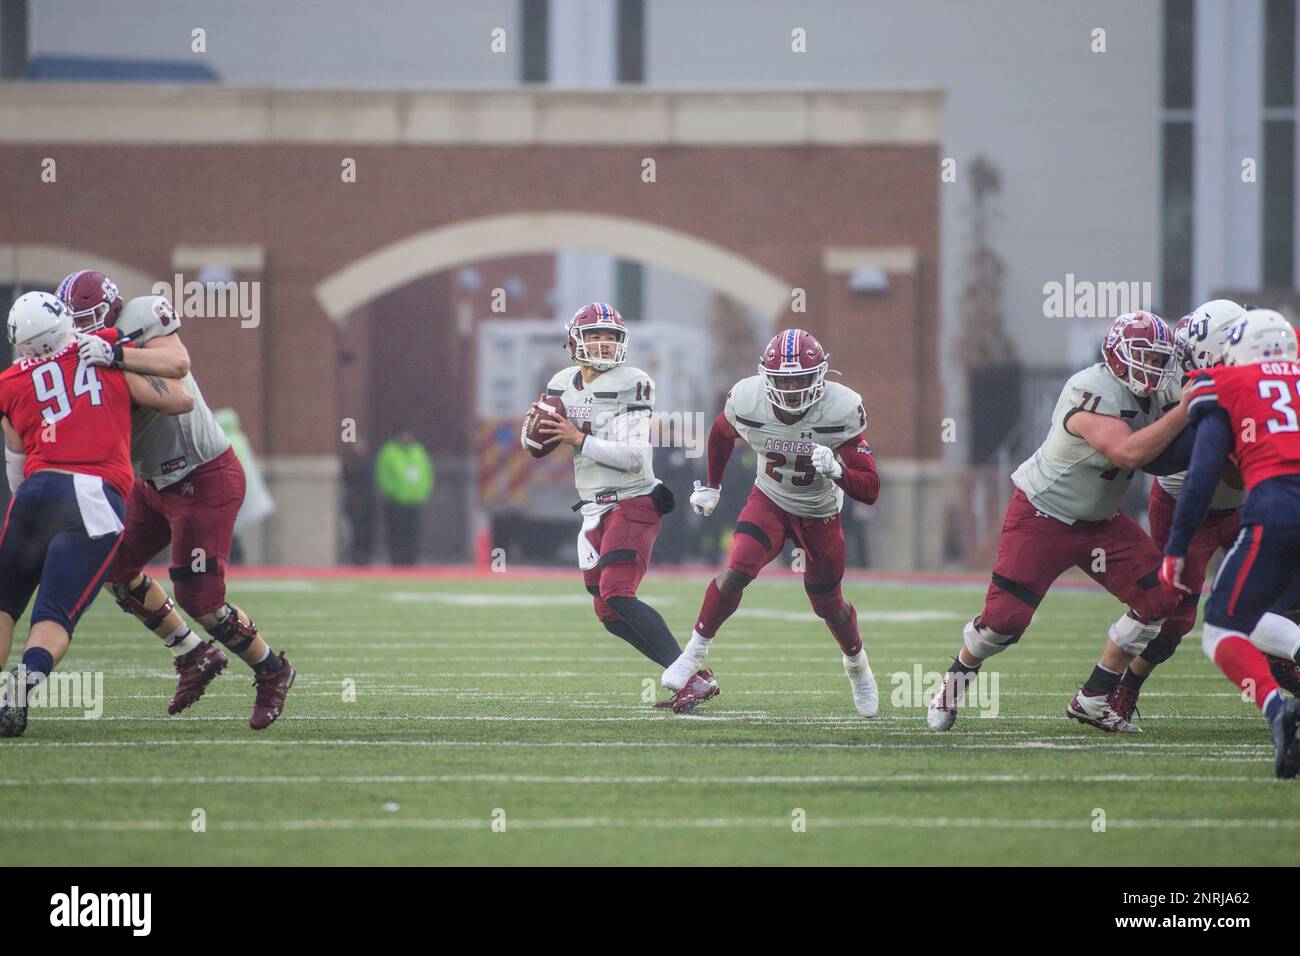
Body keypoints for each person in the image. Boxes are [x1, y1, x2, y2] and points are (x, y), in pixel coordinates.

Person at [927, 312, 1191, 733]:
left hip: (1102, 524)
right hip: (1043, 515)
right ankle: (955, 679)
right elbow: (1127, 454)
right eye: (1146, 357)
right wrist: (1185, 413)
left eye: (1162, 360)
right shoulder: (1090, 389)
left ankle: (1093, 697)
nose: (1156, 369)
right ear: (1118, 357)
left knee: (1161, 599)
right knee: (1003, 624)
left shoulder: (1163, 391)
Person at [56, 270, 296, 730]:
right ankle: (191, 654)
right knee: (110, 567)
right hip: (153, 484)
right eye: (74, 322)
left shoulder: (140, 317)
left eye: (89, 320)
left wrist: (115, 355)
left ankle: (272, 670)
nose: (82, 331)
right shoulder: (72, 356)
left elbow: (178, 371)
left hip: (202, 477)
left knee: (201, 599)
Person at [0, 292, 193, 736]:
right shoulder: (104, 346)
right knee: (54, 613)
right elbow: (179, 395)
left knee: (5, 604)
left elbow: (14, 452)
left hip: (34, 491)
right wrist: (119, 357)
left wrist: (27, 504)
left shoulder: (9, 382)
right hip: (91, 495)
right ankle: (21, 689)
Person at [661, 329, 881, 716]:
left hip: (819, 512)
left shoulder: (842, 408)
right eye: (784, 381)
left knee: (828, 604)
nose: (793, 389)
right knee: (736, 569)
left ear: (820, 377)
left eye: (801, 380)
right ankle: (693, 652)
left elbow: (870, 489)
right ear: (767, 379)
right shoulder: (747, 398)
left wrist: (837, 471)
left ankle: (857, 666)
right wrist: (712, 486)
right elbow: (720, 434)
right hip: (771, 500)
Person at [1113, 300, 1300, 721]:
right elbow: (1164, 461)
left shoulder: (1222, 379)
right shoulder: (1175, 377)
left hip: (1257, 507)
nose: (1183, 361)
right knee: (1177, 615)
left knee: (1233, 614)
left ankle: (1279, 685)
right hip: (1190, 502)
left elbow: (1195, 466)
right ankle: (1124, 686)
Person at [530, 302, 715, 712]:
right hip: (594, 506)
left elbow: (635, 456)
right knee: (608, 611)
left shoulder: (632, 382)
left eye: (611, 337)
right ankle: (694, 677)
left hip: (634, 499)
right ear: (575, 341)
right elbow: (542, 440)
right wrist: (537, 439)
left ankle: (687, 673)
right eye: (596, 335)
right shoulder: (562, 382)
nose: (604, 344)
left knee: (617, 591)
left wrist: (577, 438)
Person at [1161, 309, 1300, 777]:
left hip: (1276, 511)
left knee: (1222, 627)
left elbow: (1200, 477)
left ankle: (1275, 709)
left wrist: (1177, 545)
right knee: (1263, 616)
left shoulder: (1223, 383)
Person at [375, 424, 434, 565]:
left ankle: (411, 559)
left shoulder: (418, 451)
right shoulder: (389, 453)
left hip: (414, 500)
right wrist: (390, 492)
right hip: (396, 501)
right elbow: (383, 476)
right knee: (396, 533)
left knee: (413, 533)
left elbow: (426, 473)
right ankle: (397, 560)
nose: (407, 438)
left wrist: (423, 491)